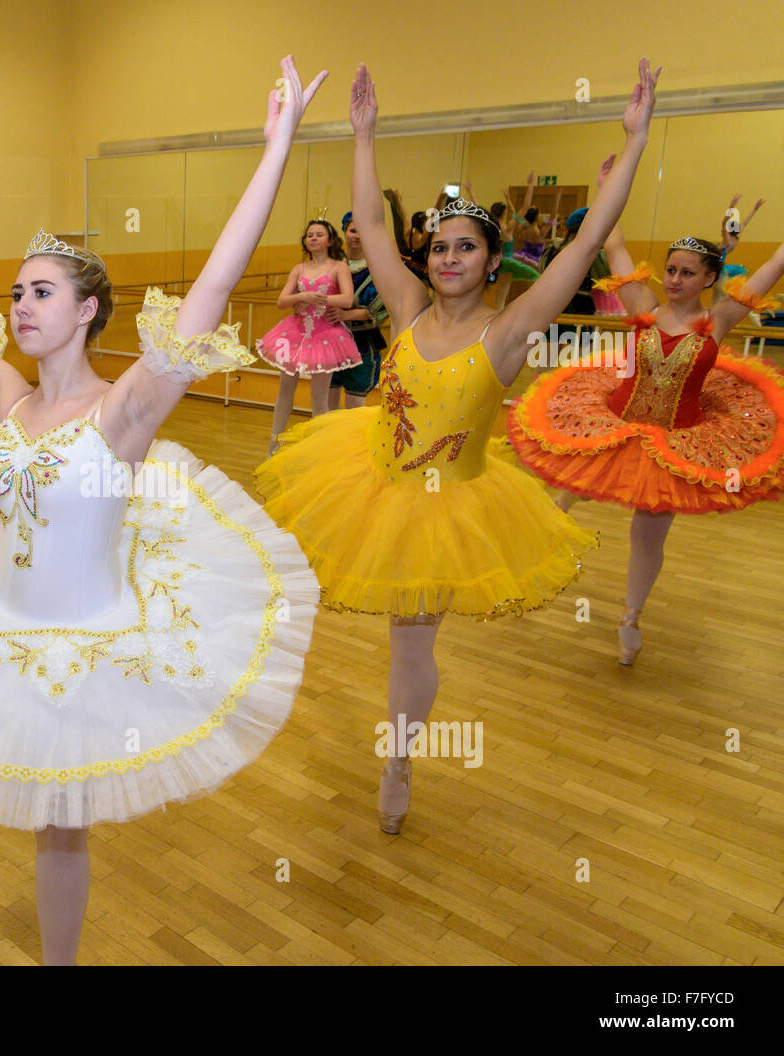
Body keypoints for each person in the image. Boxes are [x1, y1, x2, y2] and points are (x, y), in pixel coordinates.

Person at [0, 56, 325, 966]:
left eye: (40, 291)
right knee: (48, 822)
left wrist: (278, 147)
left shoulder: (123, 411)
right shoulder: (7, 400)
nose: (19, 305)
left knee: (61, 822)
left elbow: (212, 285)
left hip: (90, 645)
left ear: (88, 311)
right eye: (15, 291)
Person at [256, 58, 660, 836]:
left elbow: (582, 251)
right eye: (439, 246)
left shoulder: (507, 331)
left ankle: (400, 757)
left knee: (409, 650)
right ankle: (401, 749)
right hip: (369, 480)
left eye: (464, 248)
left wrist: (635, 141)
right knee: (394, 641)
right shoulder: (405, 306)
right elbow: (370, 225)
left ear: (490, 257)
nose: (447, 258)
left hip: (450, 505)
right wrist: (364, 135)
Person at [506, 181, 784, 665]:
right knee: (575, 484)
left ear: (709, 277)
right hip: (619, 420)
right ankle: (534, 548)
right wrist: (612, 182)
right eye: (671, 270)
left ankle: (630, 617)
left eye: (687, 273)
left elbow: (771, 268)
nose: (674, 279)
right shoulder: (644, 309)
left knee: (648, 531)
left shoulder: (719, 318)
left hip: (679, 438)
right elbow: (612, 240)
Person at [256, 216, 361, 452]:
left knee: (319, 395)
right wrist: (302, 297)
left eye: (319, 234)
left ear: (330, 240)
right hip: (295, 331)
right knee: (285, 388)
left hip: (325, 334)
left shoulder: (339, 267)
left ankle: (318, 448)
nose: (313, 238)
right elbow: (282, 301)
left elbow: (347, 298)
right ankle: (274, 443)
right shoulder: (299, 269)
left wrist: (320, 299)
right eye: (310, 235)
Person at [328, 211, 388, 409]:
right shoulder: (331, 264)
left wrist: (346, 315)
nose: (357, 236)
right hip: (330, 341)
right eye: (353, 230)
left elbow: (382, 309)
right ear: (345, 231)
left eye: (362, 231)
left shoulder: (378, 268)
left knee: (355, 406)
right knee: (327, 406)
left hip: (362, 342)